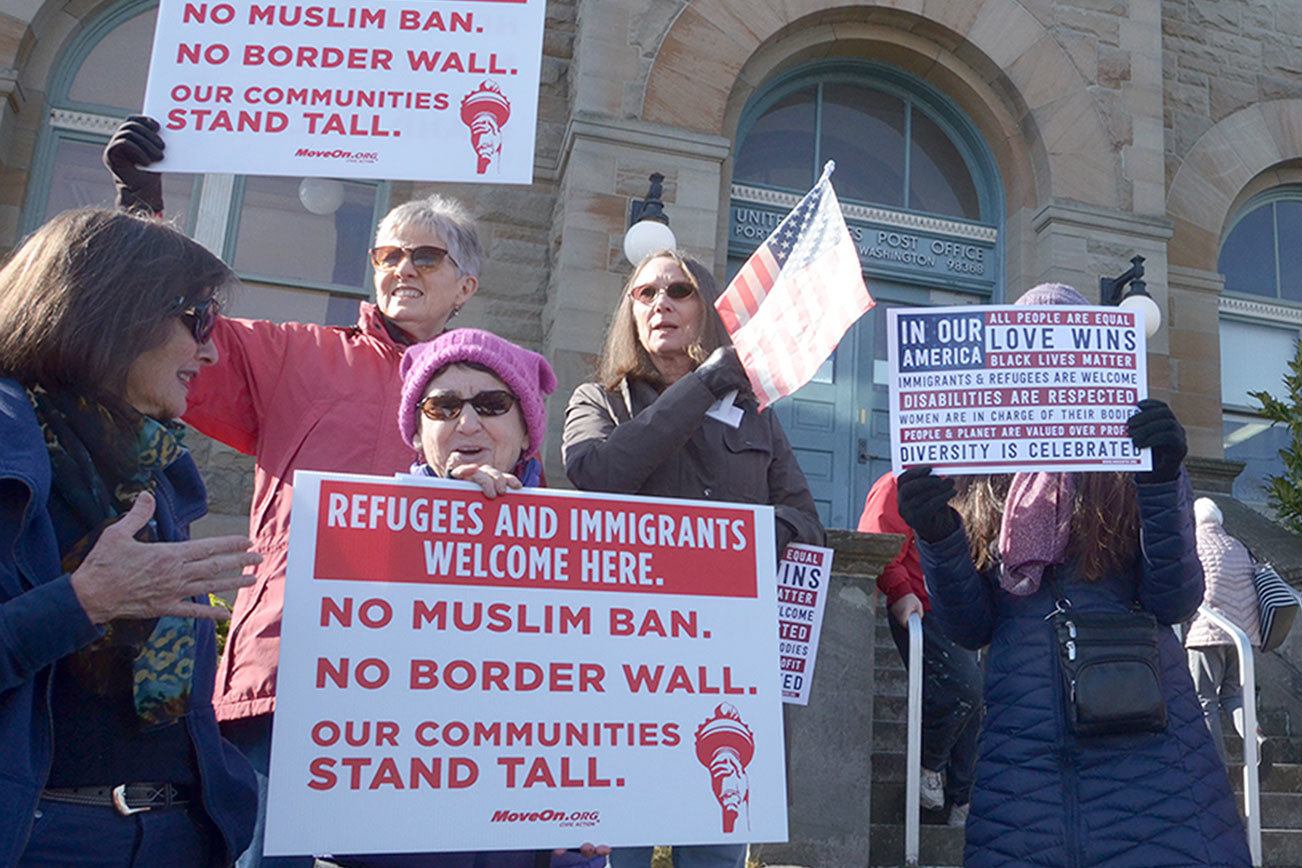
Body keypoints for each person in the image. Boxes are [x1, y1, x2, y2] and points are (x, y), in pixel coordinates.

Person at [104, 116, 484, 867]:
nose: (402, 268)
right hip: (289, 670)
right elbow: (169, 329)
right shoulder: (297, 356)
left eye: (426, 256)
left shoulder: (493, 392)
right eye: (388, 254)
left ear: (465, 286)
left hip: (431, 690)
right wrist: (141, 213)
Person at [894, 282, 1250, 867]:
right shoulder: (980, 475)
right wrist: (939, 536)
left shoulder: (1134, 459)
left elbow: (1174, 600)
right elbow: (970, 626)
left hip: (1151, 758)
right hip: (1024, 766)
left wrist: (1162, 483)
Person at [0, 208, 260, 865]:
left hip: (174, 833)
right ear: (115, 312)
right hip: (42, 837)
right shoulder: (10, 448)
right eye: (198, 318)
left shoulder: (149, 463)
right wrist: (82, 602)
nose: (211, 351)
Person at [562, 250, 824, 868]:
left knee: (714, 847)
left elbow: (805, 520)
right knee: (620, 851)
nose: (661, 303)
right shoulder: (598, 399)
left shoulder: (757, 413)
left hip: (725, 670)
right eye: (645, 293)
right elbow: (596, 474)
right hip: (628, 669)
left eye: (678, 290)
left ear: (706, 306)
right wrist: (703, 383)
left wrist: (746, 542)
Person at [330, 328, 605, 868]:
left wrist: (595, 815)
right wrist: (448, 517)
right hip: (385, 841)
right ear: (417, 433)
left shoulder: (587, 554)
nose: (468, 422)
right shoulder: (357, 537)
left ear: (527, 432)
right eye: (443, 406)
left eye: (492, 404)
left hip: (526, 842)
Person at [858, 471, 981, 827]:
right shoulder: (897, 483)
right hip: (922, 609)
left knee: (976, 701)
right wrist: (900, 591)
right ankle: (929, 766)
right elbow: (878, 540)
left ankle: (962, 800)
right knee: (964, 690)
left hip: (961, 608)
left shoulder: (973, 481)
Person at [1186, 497, 1271, 773]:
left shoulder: (1193, 546)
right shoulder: (1237, 545)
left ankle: (1215, 766)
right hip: (1242, 636)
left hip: (1207, 633)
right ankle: (1256, 737)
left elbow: (1185, 589)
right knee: (1234, 696)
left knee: (1205, 699)